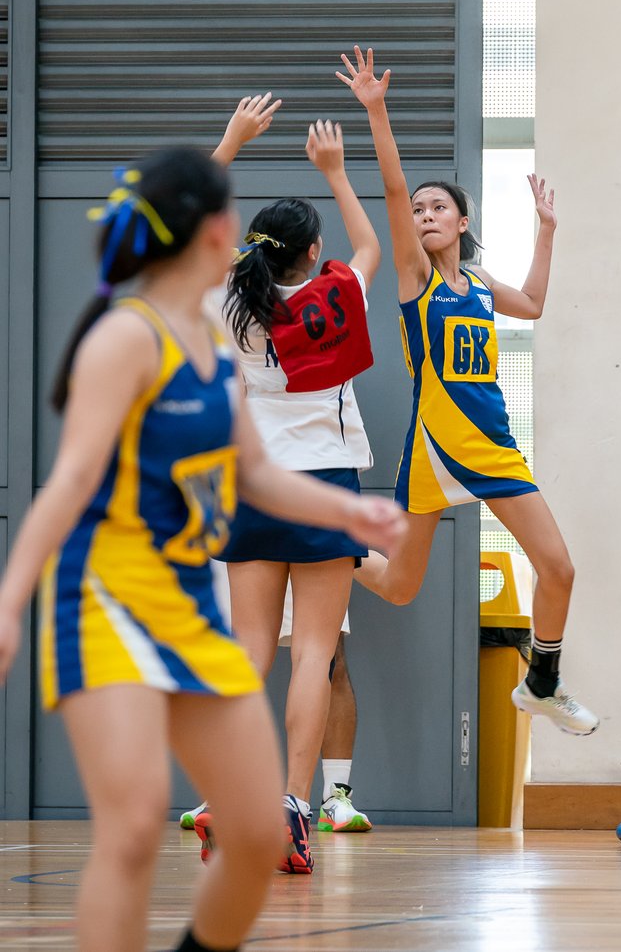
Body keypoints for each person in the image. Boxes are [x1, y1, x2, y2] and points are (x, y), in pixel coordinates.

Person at [0, 148, 403, 952]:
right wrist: (11, 604)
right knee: (134, 832)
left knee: (257, 837)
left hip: (185, 606)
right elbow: (72, 480)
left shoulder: (217, 346)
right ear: (216, 232)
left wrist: (351, 515)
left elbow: (256, 471)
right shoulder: (126, 337)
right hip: (108, 602)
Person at [338, 45, 598, 737]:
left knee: (560, 569)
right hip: (435, 449)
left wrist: (547, 232)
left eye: (437, 207)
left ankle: (541, 681)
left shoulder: (480, 285)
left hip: (494, 446)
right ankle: (322, 542)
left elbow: (537, 304)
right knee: (397, 587)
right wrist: (376, 109)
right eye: (418, 207)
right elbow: (391, 191)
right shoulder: (414, 280)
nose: (422, 213)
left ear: (461, 222)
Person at [205, 111, 382, 865]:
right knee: (314, 654)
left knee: (248, 651)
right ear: (314, 252)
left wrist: (233, 143)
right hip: (325, 482)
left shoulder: (227, 305)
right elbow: (372, 245)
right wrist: (336, 171)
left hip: (254, 482)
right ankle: (290, 806)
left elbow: (185, 238)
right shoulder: (338, 294)